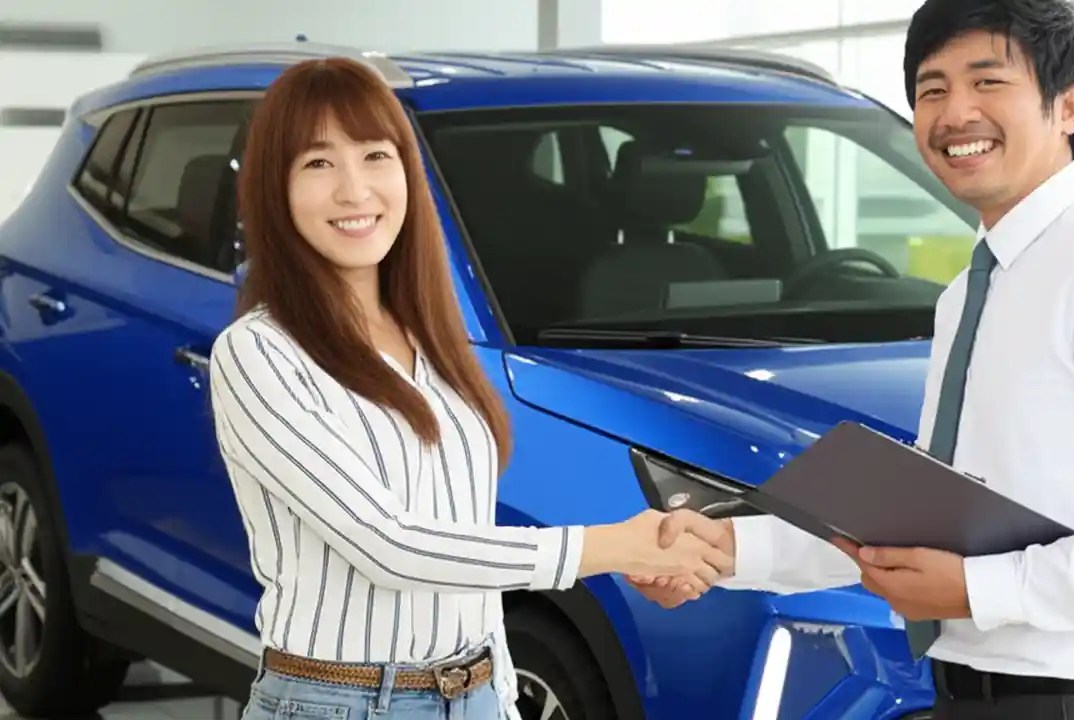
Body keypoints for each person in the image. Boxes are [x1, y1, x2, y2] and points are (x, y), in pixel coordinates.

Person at [630, 1, 1074, 718]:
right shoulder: (970, 292)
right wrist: (723, 549)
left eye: (988, 83)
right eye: (932, 90)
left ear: (1069, 105)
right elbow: (916, 530)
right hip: (961, 697)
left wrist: (978, 591)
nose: (956, 113)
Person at [208, 56, 730, 720]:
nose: (354, 190)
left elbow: (464, 543)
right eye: (318, 164)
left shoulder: (431, 336)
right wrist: (612, 547)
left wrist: (501, 695)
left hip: (474, 693)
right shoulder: (259, 353)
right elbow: (390, 545)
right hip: (338, 702)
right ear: (273, 190)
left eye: (375, 155)